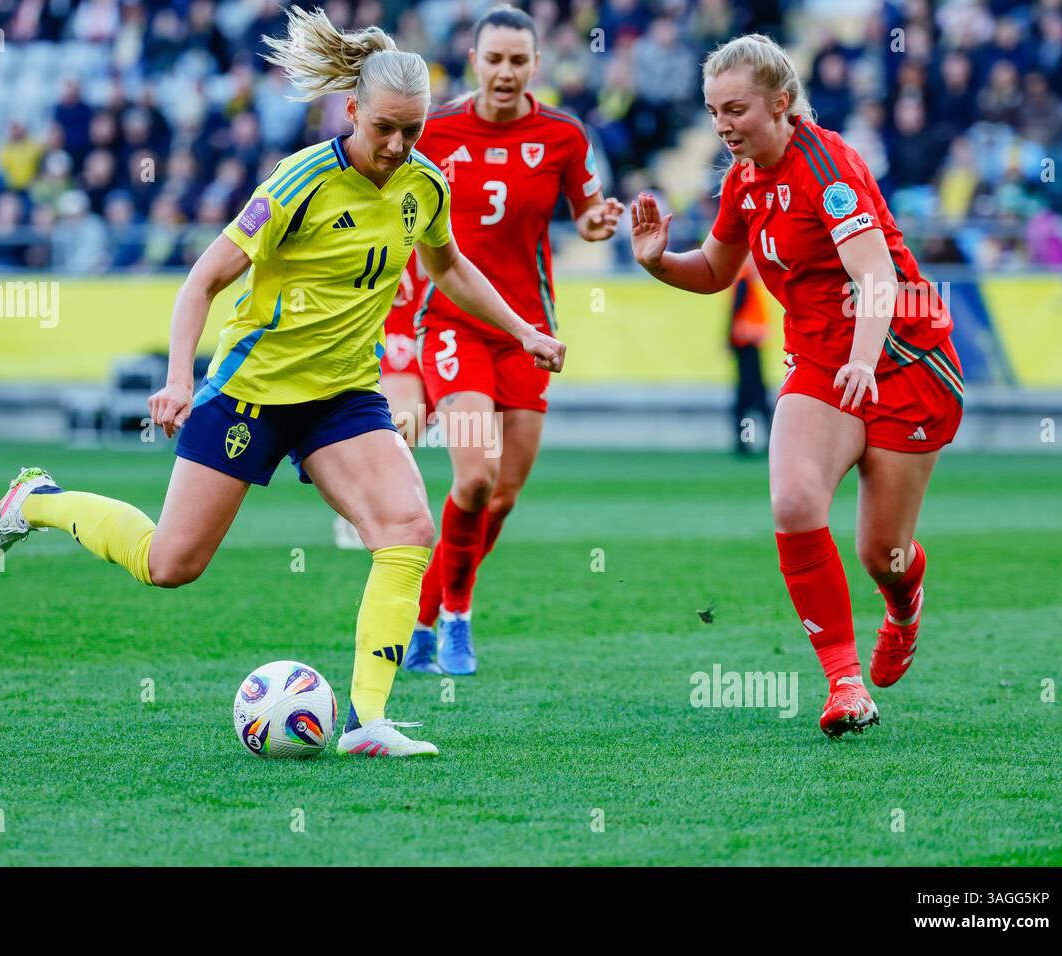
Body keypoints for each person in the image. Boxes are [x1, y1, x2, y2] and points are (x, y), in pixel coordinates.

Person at [0, 7, 565, 758]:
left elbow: (449, 268)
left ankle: (367, 722)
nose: (398, 145)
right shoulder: (298, 182)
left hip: (344, 399)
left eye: (412, 130)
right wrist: (180, 377)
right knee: (170, 565)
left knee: (408, 530)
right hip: (251, 394)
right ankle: (38, 501)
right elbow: (203, 280)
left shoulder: (423, 185)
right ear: (352, 111)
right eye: (384, 127)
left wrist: (523, 330)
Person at [630, 34, 963, 737]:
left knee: (884, 554)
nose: (722, 125)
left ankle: (904, 605)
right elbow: (717, 270)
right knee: (793, 498)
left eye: (736, 109)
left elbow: (877, 278)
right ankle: (845, 686)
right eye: (713, 111)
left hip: (904, 361)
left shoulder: (827, 166)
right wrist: (660, 263)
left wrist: (867, 361)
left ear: (780, 103)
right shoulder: (743, 182)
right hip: (821, 364)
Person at [404, 5, 624, 675]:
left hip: (527, 333)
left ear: (536, 65)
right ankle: (458, 621)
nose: (505, 72)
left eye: (518, 60)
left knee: (501, 497)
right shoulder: (433, 131)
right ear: (474, 61)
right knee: (474, 477)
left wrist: (599, 221)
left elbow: (585, 214)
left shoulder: (562, 135)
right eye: (494, 59)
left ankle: (420, 618)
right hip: (453, 323)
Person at [333, 250, 431, 551]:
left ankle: (378, 500)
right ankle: (366, 503)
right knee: (407, 415)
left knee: (423, 417)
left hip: (451, 311)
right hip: (399, 313)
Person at [728, 257, 771, 454]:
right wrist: (729, 335)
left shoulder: (743, 280)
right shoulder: (744, 280)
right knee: (753, 394)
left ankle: (747, 440)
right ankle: (752, 440)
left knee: (747, 395)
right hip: (747, 344)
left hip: (746, 342)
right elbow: (737, 310)